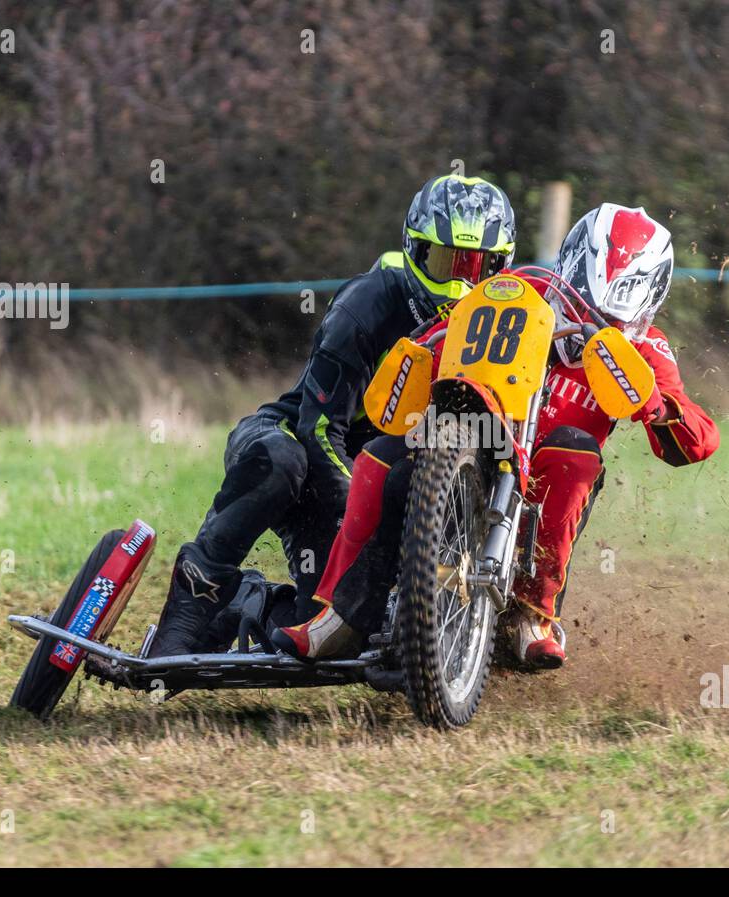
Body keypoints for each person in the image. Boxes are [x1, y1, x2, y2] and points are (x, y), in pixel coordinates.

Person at [273, 203, 719, 668]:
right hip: (477, 441)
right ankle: (339, 617)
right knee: (380, 457)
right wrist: (427, 346)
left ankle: (533, 615)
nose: (589, 321)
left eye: (608, 316)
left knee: (576, 452)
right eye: (584, 304)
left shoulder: (647, 349)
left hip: (547, 476)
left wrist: (656, 406)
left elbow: (699, 439)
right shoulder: (522, 291)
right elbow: (450, 327)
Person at [146, 175, 517, 658]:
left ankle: (248, 605)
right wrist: (360, 511)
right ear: (415, 249)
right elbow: (318, 429)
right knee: (282, 460)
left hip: (371, 481)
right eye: (447, 262)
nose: (459, 283)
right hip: (296, 446)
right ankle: (193, 602)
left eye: (477, 267)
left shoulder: (502, 326)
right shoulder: (367, 303)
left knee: (331, 627)